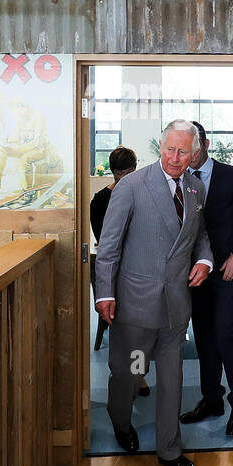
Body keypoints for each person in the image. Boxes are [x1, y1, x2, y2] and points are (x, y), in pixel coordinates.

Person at [94, 120, 212, 466]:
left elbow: (199, 234)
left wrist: (205, 260)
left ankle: (170, 450)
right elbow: (109, 247)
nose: (176, 158)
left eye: (183, 151)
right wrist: (105, 293)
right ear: (160, 148)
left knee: (173, 381)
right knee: (129, 376)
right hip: (134, 306)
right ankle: (121, 423)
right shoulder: (131, 187)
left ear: (195, 152)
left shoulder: (194, 188)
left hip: (176, 307)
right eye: (170, 150)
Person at [179, 121, 233, 437]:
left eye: (191, 148)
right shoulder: (178, 179)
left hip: (226, 269)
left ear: (205, 144)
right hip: (193, 272)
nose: (186, 155)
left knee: (225, 333)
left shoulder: (232, 176)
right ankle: (212, 400)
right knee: (204, 336)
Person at [89, 146, 149, 397]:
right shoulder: (102, 200)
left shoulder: (142, 195)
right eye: (122, 174)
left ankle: (138, 377)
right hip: (121, 271)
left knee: (138, 331)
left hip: (135, 271)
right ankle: (129, 376)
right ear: (114, 172)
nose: (125, 178)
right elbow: (105, 240)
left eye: (129, 173)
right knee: (125, 330)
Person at [0, 100, 61, 191]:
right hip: (25, 148)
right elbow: (15, 138)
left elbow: (37, 142)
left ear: (24, 107)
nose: (16, 112)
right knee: (2, 149)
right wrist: (7, 143)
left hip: (40, 149)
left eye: (18, 108)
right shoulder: (21, 119)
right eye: (14, 110)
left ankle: (27, 191)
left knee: (24, 159)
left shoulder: (38, 117)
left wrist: (18, 149)